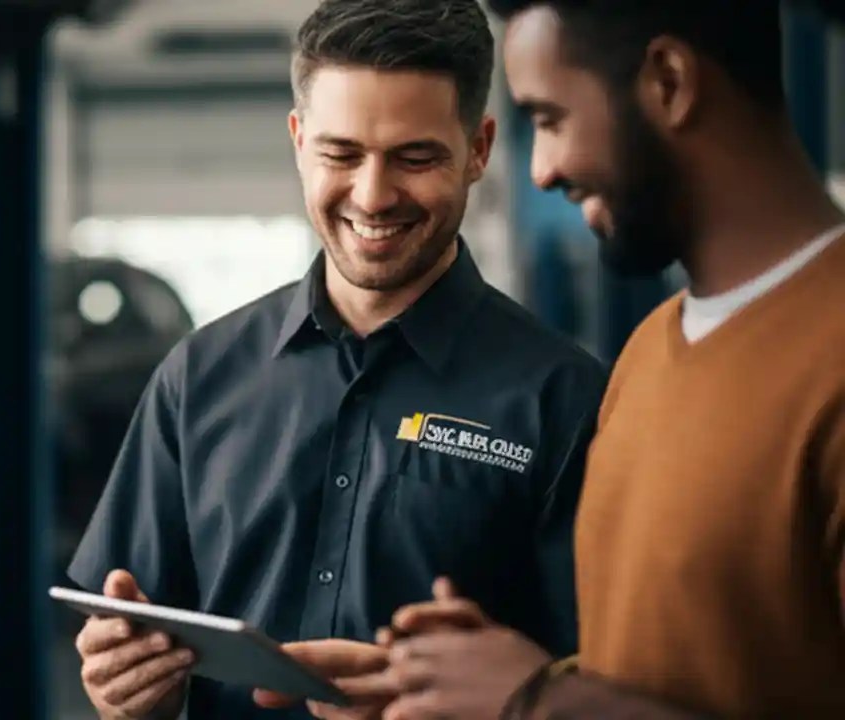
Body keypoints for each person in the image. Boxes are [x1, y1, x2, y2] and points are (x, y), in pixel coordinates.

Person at [65, 1, 608, 718]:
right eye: (341, 154)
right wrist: (123, 691)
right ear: (298, 140)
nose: (373, 195)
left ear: (478, 149)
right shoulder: (197, 379)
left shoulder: (564, 400)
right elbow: (126, 645)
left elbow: (602, 680)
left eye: (415, 157)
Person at [332, 1, 845, 718]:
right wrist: (458, 680)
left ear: (668, 82)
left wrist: (540, 699)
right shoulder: (647, 355)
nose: (542, 171)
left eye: (549, 118)